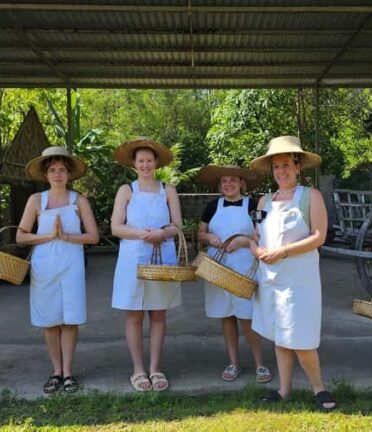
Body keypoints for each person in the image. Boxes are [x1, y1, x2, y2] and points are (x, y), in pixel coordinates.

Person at [248, 135, 336, 412]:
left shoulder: (311, 196)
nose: (281, 171)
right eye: (276, 166)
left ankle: (318, 388)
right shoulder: (264, 201)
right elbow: (255, 235)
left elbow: (319, 237)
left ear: (298, 167)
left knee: (302, 338)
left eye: (286, 164)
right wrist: (256, 249)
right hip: (271, 278)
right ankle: (284, 390)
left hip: (300, 281)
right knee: (279, 335)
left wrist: (283, 252)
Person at [17, 146, 99, 394]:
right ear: (45, 174)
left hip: (72, 264)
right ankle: (56, 371)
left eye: (62, 170)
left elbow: (93, 236)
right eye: (52, 170)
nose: (57, 174)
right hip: (44, 265)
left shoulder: (79, 200)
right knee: (50, 320)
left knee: (70, 319)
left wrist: (66, 236)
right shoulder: (36, 201)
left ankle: (69, 371)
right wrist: (49, 237)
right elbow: (21, 237)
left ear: (69, 174)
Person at [111, 137, 182, 392]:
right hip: (133, 256)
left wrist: (162, 234)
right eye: (140, 160)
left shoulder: (168, 190)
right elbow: (116, 227)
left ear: (156, 163)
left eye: (149, 160)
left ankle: (155, 368)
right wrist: (144, 234)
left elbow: (177, 226)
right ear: (134, 163)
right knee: (134, 313)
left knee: (159, 312)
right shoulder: (126, 190)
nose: (145, 165)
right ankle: (138, 370)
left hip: (162, 254)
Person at [197, 165, 271, 384]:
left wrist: (244, 241)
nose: (228, 184)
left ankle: (260, 363)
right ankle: (233, 363)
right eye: (224, 182)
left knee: (247, 317)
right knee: (226, 316)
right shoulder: (212, 206)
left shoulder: (254, 205)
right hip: (217, 269)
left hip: (245, 268)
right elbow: (200, 232)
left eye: (232, 180)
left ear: (241, 183)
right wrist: (209, 239)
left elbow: (264, 234)